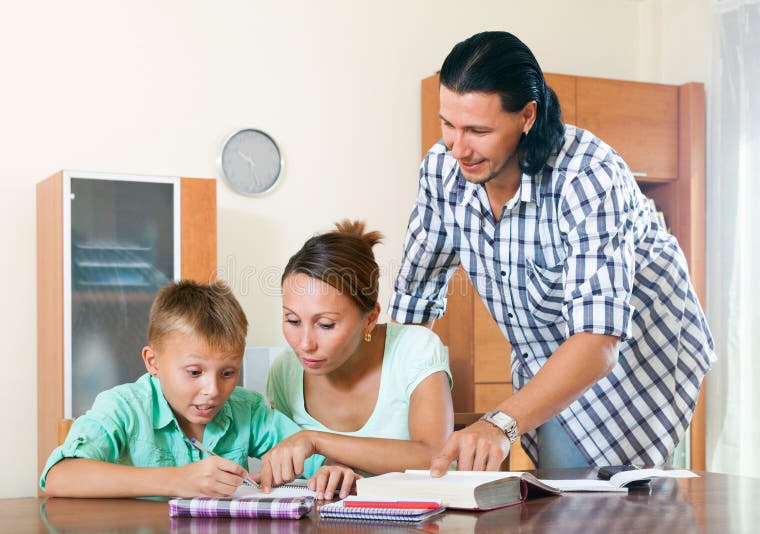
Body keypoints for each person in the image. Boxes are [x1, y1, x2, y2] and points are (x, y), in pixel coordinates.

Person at [388, 31, 716, 472]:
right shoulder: (441, 172)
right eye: (449, 124)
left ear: (527, 116)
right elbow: (415, 296)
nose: (457, 147)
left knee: (593, 498)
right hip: (545, 351)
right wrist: (388, 406)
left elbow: (598, 342)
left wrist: (499, 424)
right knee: (560, 490)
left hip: (632, 356)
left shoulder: (587, 175)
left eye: (478, 131)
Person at [41, 279, 318, 498]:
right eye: (194, 372)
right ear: (153, 361)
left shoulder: (248, 409)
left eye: (228, 372)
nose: (213, 389)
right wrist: (178, 480)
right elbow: (59, 476)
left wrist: (329, 472)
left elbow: (315, 459)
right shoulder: (124, 408)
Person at [263, 220, 454, 499]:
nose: (305, 344)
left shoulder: (415, 349)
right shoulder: (285, 370)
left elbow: (434, 455)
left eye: (326, 324)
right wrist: (333, 468)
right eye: (292, 320)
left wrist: (316, 441)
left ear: (370, 319)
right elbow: (292, 466)